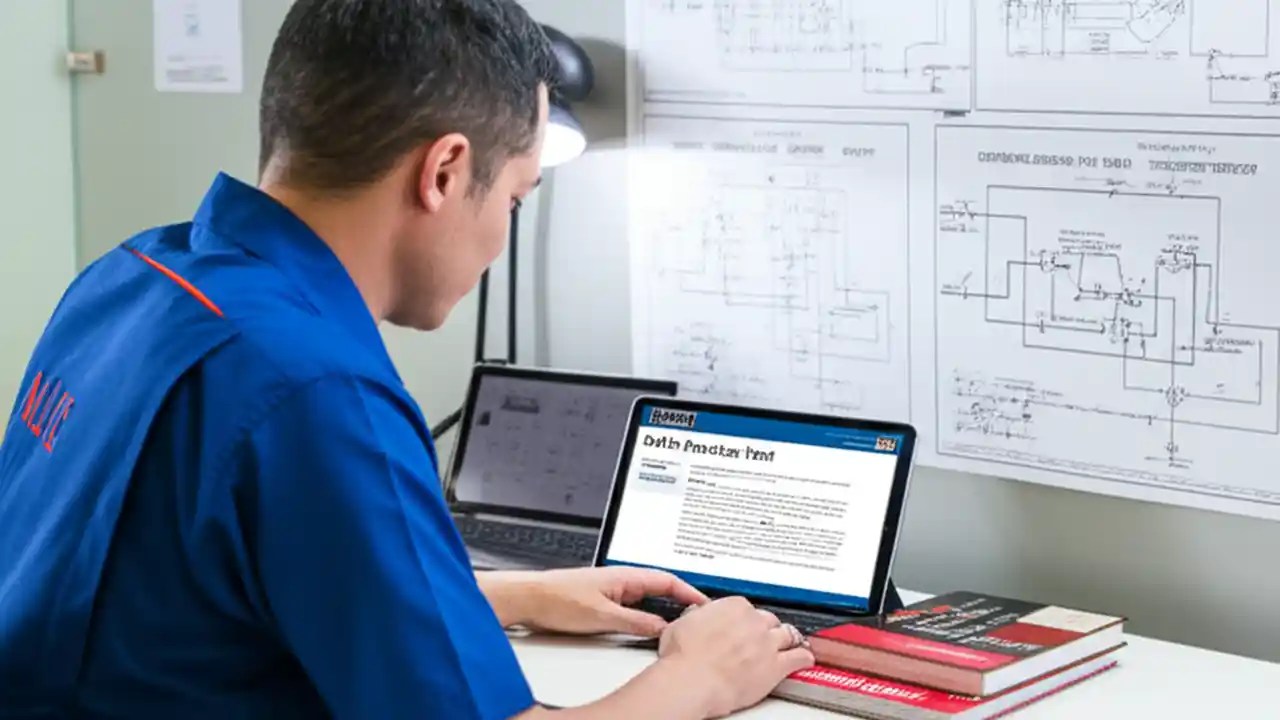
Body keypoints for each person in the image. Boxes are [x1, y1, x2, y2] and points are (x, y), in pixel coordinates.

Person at [0, 1, 813, 718]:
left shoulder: (132, 277)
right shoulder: (317, 390)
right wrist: (699, 678)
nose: (502, 233)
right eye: (516, 198)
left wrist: (495, 596)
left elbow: (180, 588)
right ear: (445, 171)